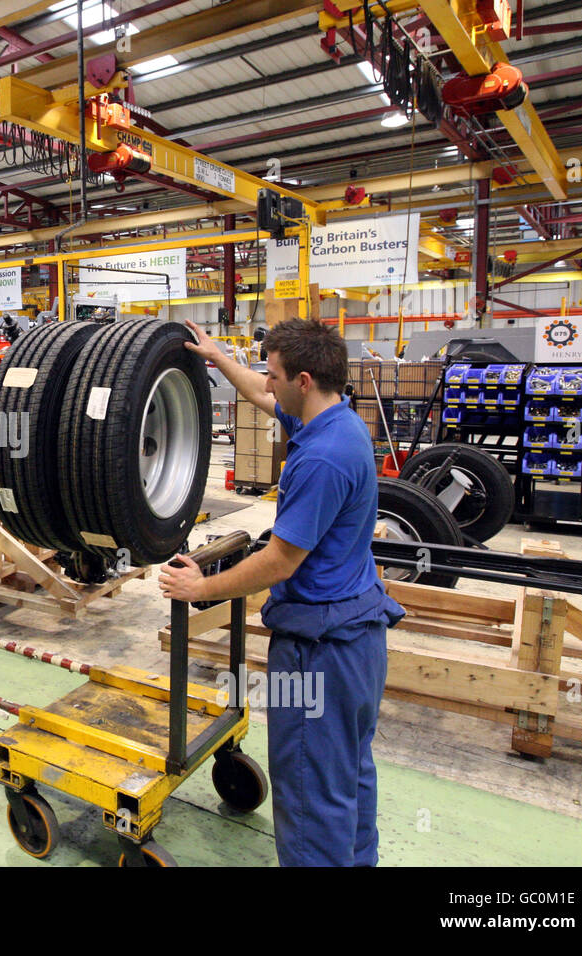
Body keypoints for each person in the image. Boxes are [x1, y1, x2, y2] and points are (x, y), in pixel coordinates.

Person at [159, 318, 404, 867]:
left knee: (309, 789)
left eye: (274, 375)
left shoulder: (320, 458)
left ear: (305, 379)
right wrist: (220, 359)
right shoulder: (336, 422)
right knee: (348, 774)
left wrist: (203, 585)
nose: (266, 384)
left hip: (321, 649)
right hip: (359, 638)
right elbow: (257, 390)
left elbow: (279, 560)